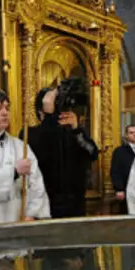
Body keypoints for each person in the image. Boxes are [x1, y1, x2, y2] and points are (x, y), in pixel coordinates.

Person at [0, 88, 49, 224]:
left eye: (7, 108)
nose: (5, 113)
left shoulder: (20, 145)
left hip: (21, 218)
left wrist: (32, 214)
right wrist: (14, 172)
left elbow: (36, 184)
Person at [28, 86, 99, 218]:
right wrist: (49, 117)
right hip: (46, 203)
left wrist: (77, 129)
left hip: (75, 203)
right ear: (40, 110)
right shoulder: (31, 133)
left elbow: (92, 153)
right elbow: (42, 149)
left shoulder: (74, 133)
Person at [110, 124, 135, 215]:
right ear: (126, 135)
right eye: (131, 133)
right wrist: (119, 189)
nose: (134, 135)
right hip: (127, 188)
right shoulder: (119, 151)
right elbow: (115, 171)